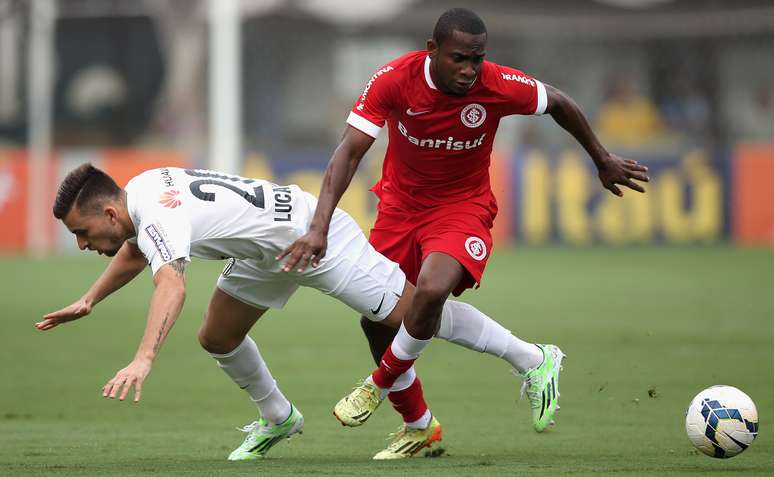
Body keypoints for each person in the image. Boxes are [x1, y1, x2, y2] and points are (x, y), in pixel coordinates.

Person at [279, 7, 649, 459]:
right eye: (459, 58)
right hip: (399, 207)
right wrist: (319, 228)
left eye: (477, 59)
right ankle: (428, 422)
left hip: (461, 207)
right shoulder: (394, 79)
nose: (470, 70)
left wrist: (602, 158)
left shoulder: (496, 83)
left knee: (431, 290)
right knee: (377, 319)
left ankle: (375, 386)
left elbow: (558, 101)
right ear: (432, 50)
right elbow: (348, 153)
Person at [37, 164, 561, 460]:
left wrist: (144, 357)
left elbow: (170, 282)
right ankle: (278, 418)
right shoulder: (142, 190)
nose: (83, 244)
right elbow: (134, 247)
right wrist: (90, 299)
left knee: (414, 316)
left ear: (109, 211)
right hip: (265, 249)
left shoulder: (155, 213)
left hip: (315, 238)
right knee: (218, 336)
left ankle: (533, 358)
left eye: (82, 233)